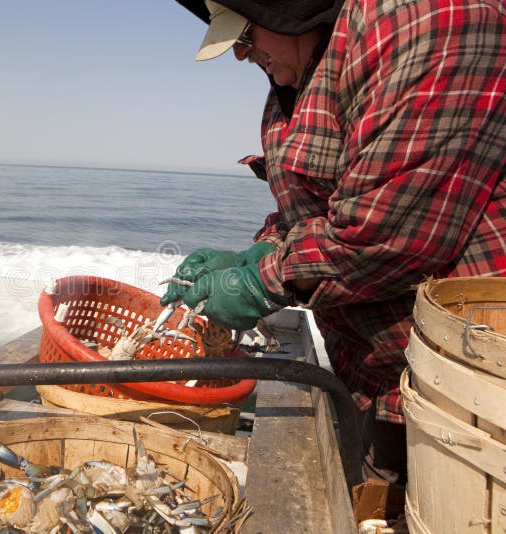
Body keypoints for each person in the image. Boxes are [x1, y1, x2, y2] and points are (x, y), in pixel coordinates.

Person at [167, 0, 506, 484]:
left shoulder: (433, 21)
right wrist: (264, 246)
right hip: (380, 376)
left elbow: (387, 236)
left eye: (244, 36)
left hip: (473, 391)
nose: (241, 56)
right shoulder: (305, 63)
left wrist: (263, 281)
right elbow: (317, 204)